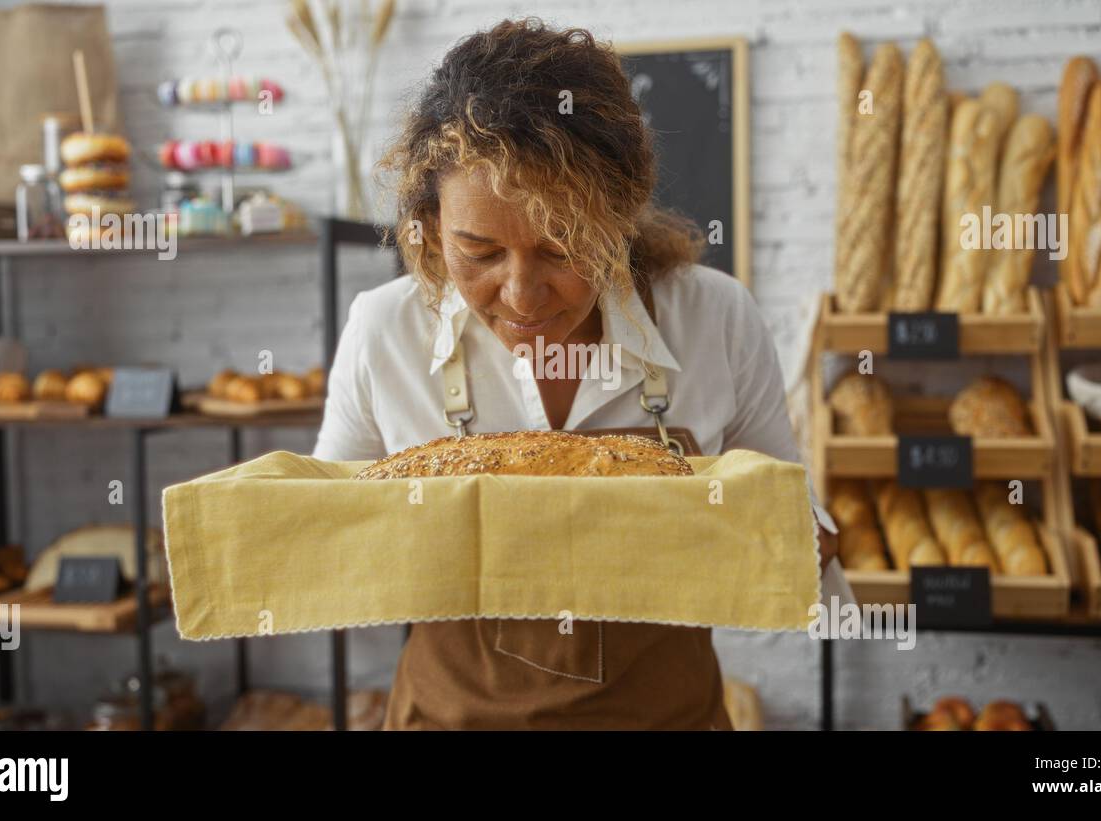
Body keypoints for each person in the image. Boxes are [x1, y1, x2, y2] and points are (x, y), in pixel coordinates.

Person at [314, 18, 838, 730]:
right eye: (479, 251)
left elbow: (798, 537)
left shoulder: (715, 320)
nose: (523, 295)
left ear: (620, 217)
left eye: (562, 249)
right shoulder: (385, 334)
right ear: (431, 226)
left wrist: (791, 535)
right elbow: (328, 558)